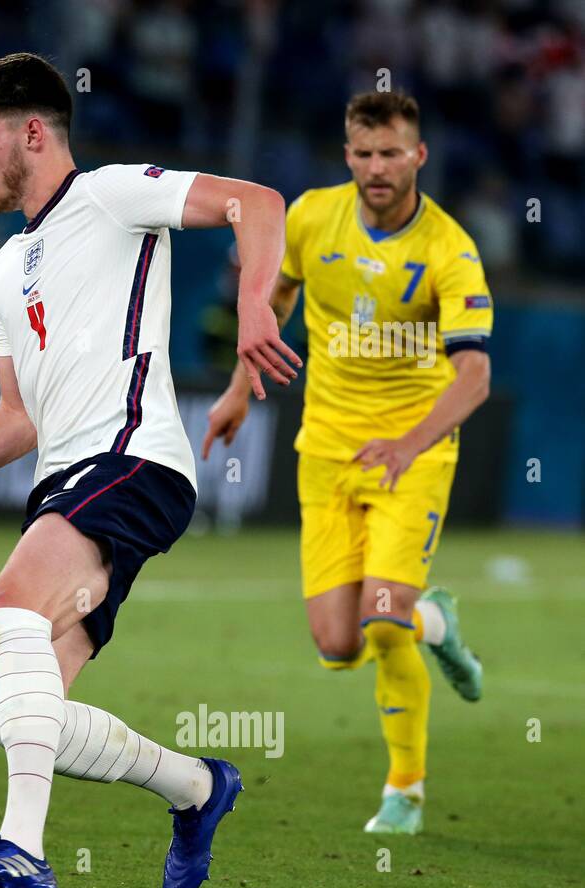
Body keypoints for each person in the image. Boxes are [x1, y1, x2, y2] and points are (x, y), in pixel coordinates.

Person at [0, 52, 300, 888]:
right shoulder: (3, 270)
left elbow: (258, 202)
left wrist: (256, 300)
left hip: (134, 460)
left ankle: (20, 848)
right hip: (74, 480)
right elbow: (20, 417)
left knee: (9, 607)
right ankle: (198, 788)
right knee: (21, 714)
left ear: (34, 131)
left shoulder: (109, 196)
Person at [203, 90, 491, 836]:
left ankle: (406, 787)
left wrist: (408, 444)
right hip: (325, 451)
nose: (376, 168)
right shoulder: (308, 217)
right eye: (362, 154)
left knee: (384, 622)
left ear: (419, 156)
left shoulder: (449, 250)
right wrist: (240, 388)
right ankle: (441, 619)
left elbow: (475, 377)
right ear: (347, 156)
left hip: (410, 458)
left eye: (391, 153)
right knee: (338, 644)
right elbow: (279, 300)